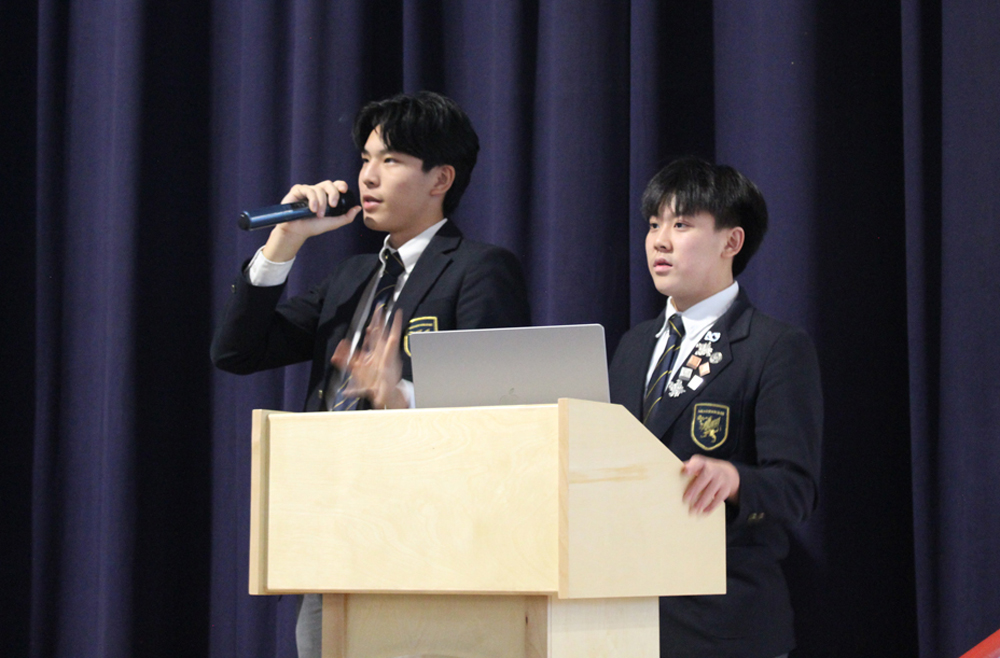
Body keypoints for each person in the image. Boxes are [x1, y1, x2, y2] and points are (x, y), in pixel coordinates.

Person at [211, 91, 531, 658]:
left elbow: (500, 415)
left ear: (440, 179)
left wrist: (400, 396)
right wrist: (283, 242)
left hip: (421, 538)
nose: (369, 177)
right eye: (365, 159)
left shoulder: (479, 270)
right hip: (333, 527)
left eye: (391, 161)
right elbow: (236, 351)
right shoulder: (351, 277)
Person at [609, 157, 822, 658]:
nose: (660, 240)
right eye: (654, 224)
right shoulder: (633, 345)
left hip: (722, 623)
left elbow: (796, 489)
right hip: (623, 614)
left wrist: (735, 479)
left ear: (731, 241)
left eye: (681, 224)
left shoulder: (774, 346)